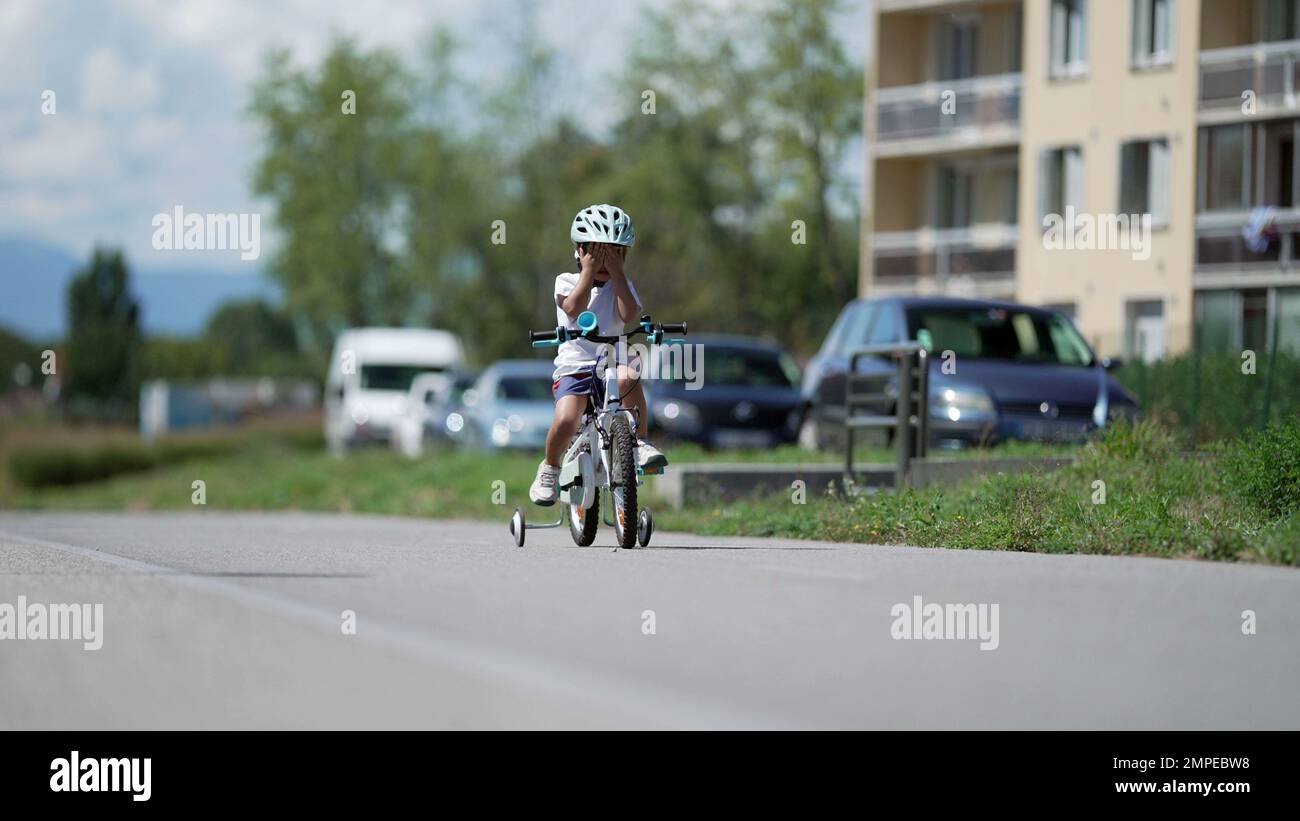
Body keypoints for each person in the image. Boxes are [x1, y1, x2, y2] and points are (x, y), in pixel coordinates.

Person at [529, 204, 668, 506]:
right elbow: (573, 310)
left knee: (629, 375)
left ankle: (640, 442)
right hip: (575, 368)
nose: (605, 261)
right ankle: (550, 467)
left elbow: (628, 314)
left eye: (614, 253)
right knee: (567, 419)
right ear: (580, 251)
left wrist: (618, 274)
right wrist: (588, 271)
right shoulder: (566, 281)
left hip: (612, 364)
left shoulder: (623, 285)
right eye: (597, 252)